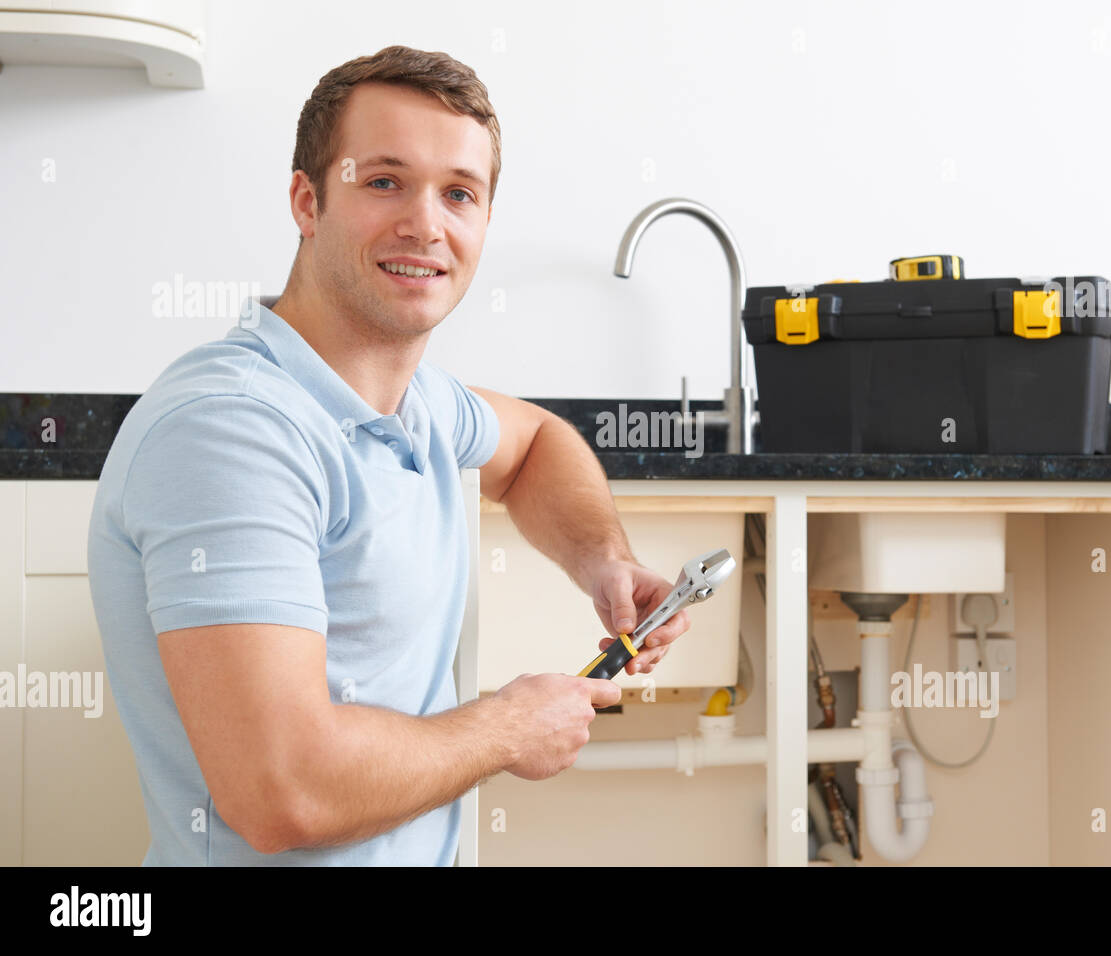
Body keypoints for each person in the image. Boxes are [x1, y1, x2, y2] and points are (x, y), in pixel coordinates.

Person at [86, 45, 689, 866]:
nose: (426, 224)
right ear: (307, 200)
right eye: (383, 182)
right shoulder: (230, 431)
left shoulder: (423, 407)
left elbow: (540, 442)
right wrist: (510, 726)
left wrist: (603, 562)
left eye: (459, 194)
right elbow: (284, 793)